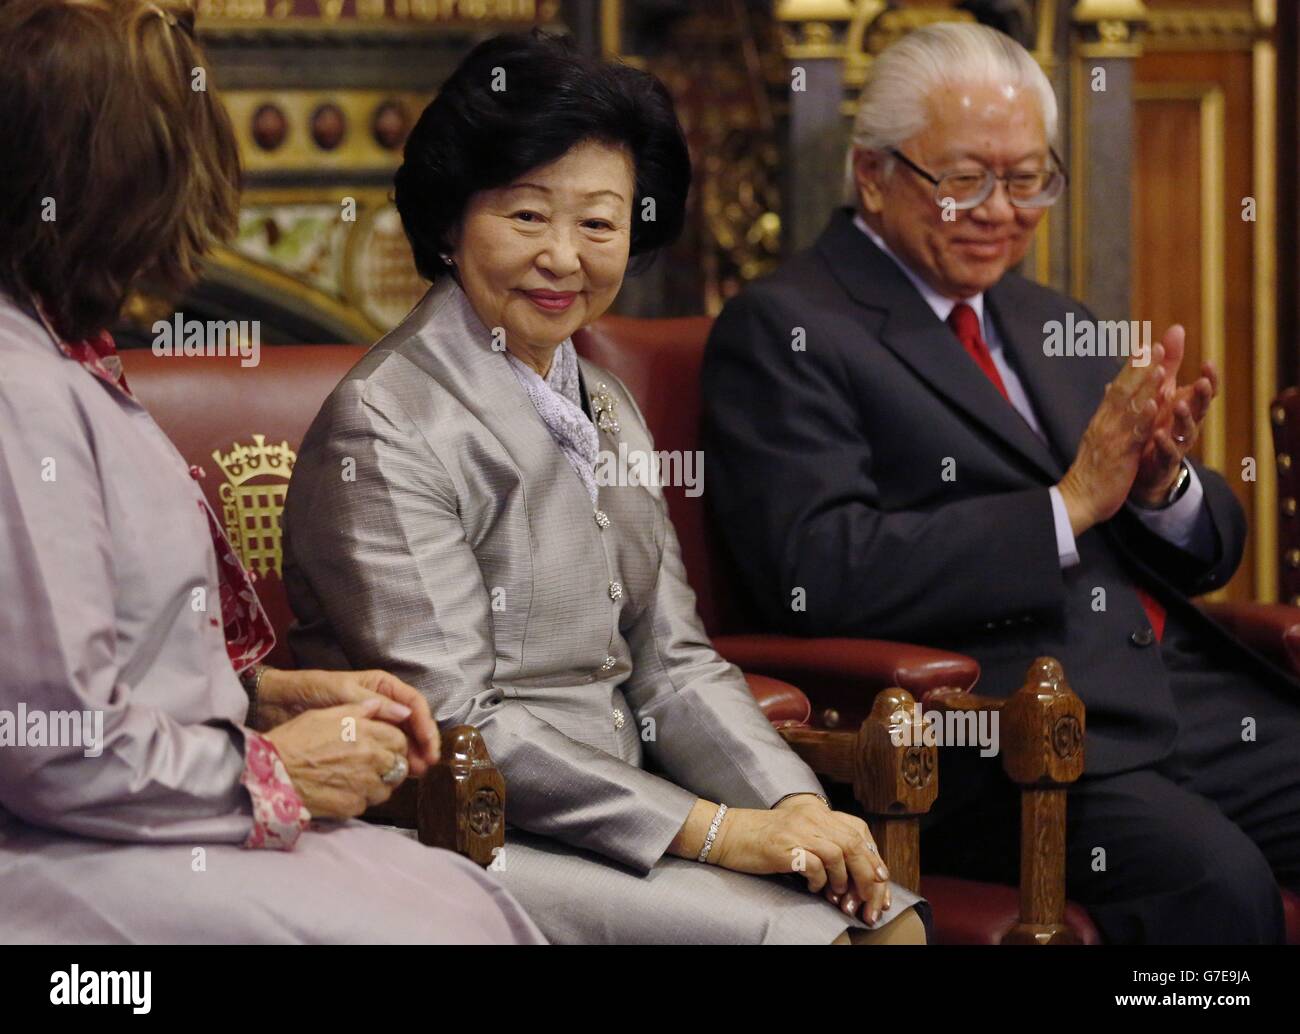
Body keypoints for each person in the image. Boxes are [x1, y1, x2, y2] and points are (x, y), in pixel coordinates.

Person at [283, 29, 928, 945]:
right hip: (472, 833)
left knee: (887, 921)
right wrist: (720, 832)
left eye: (597, 223)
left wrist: (794, 807)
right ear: (449, 224)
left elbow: (674, 661)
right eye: (526, 217)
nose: (563, 258)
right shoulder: (385, 422)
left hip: (636, 815)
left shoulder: (607, 403)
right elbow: (459, 723)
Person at [701, 21, 1300, 944]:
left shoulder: (1045, 313)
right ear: (873, 174)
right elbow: (817, 568)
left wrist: (1158, 488)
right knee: (1217, 889)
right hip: (1005, 736)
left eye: (1028, 181)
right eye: (965, 180)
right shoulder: (788, 327)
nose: (1001, 210)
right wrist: (1065, 509)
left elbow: (1212, 545)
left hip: (1180, 698)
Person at [0, 0, 543, 945]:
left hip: (142, 828)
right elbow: (53, 745)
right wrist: (274, 770)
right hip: (67, 855)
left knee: (452, 904)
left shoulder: (60, 360)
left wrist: (269, 696)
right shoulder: (23, 394)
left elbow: (108, 655)